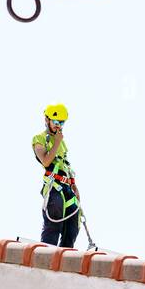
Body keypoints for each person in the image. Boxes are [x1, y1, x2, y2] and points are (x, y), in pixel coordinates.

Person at [35, 103, 80, 247]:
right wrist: (56, 142)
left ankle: (64, 257)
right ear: (47, 120)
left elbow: (65, 165)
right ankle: (46, 253)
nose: (59, 125)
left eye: (62, 122)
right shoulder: (40, 139)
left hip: (67, 187)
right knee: (54, 221)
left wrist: (74, 185)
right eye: (56, 122)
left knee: (73, 227)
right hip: (54, 186)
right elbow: (46, 161)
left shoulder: (62, 143)